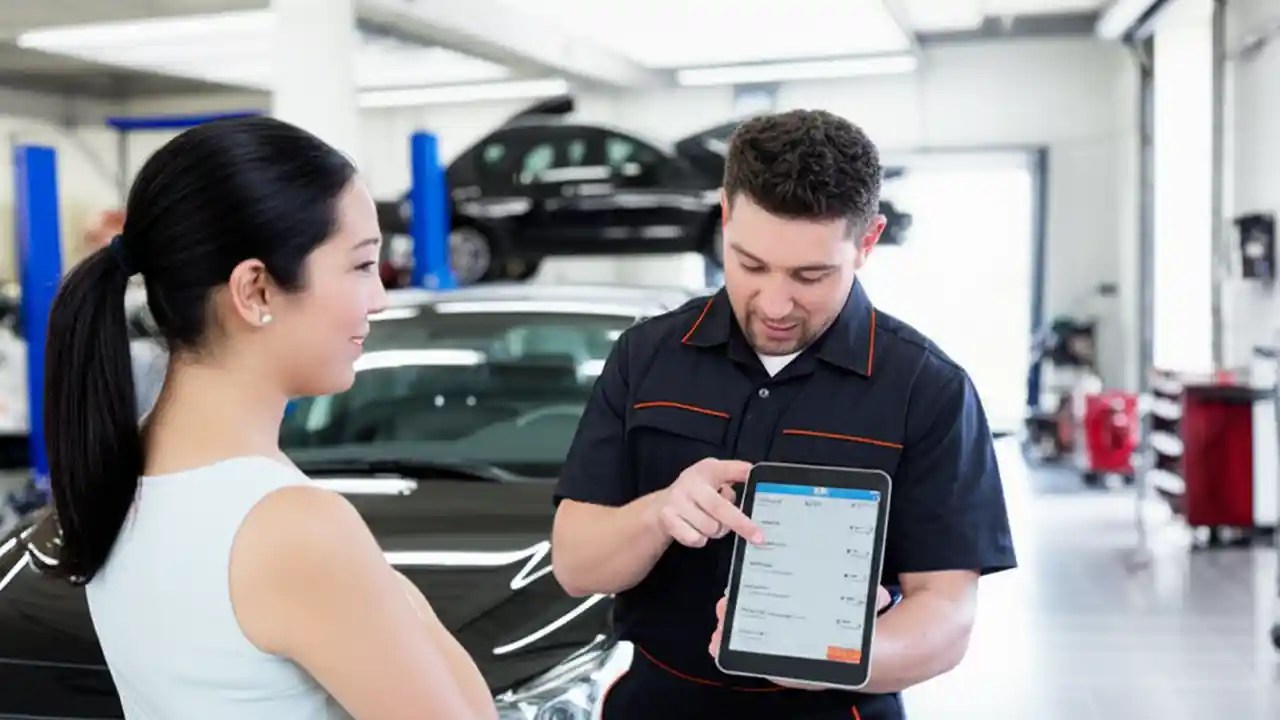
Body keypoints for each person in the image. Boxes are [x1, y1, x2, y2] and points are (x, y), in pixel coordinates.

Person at [550, 109, 1017, 720]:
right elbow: (577, 565)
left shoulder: (927, 389)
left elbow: (947, 613)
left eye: (810, 275)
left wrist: (828, 658)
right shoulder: (645, 357)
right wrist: (661, 513)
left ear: (868, 241)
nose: (774, 304)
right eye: (750, 265)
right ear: (724, 216)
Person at [35, 117, 498, 720]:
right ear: (255, 290)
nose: (379, 298)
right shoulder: (291, 526)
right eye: (360, 266)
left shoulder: (123, 473)